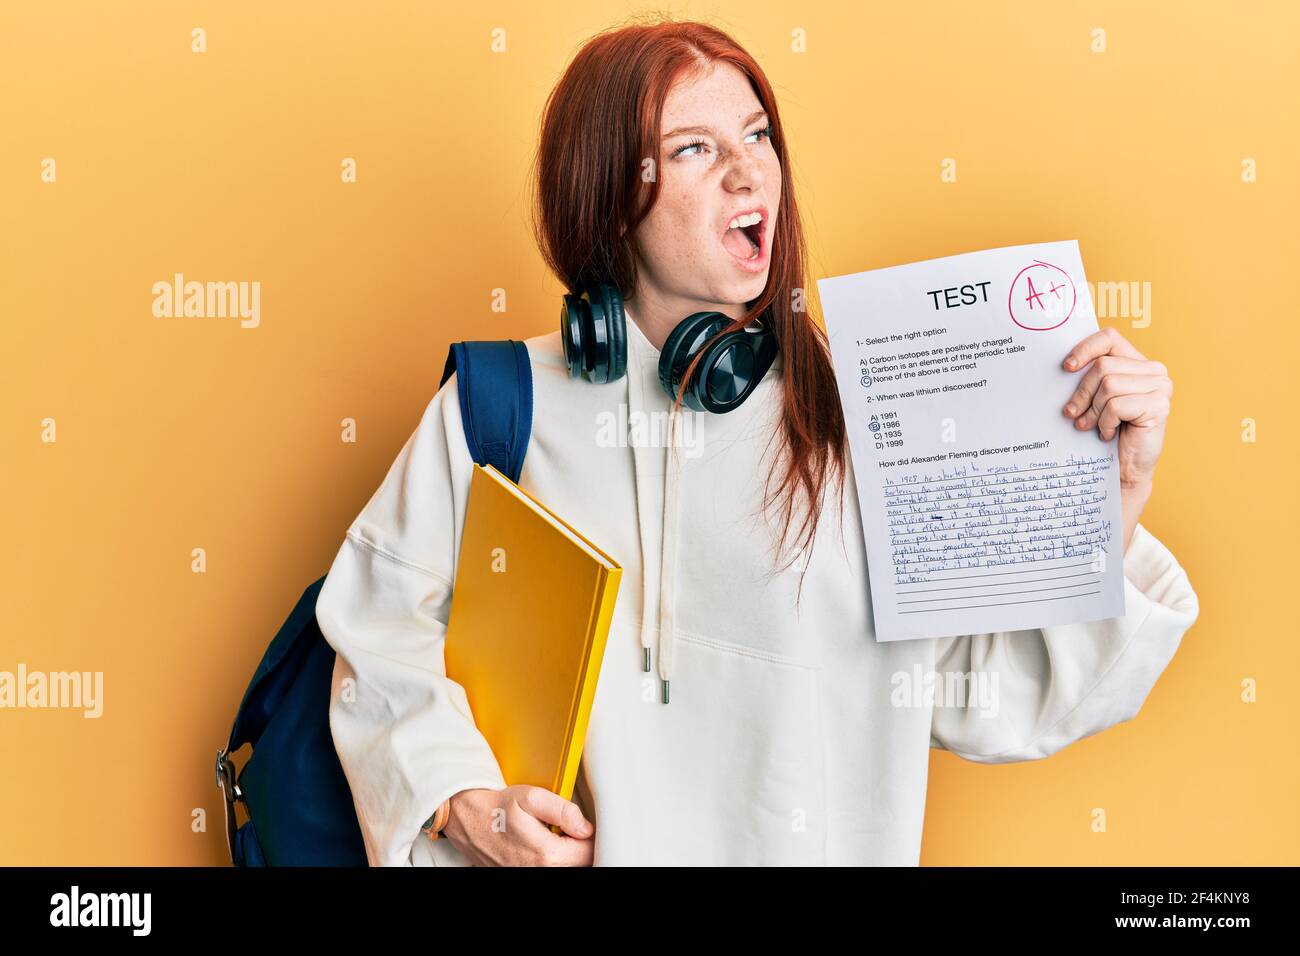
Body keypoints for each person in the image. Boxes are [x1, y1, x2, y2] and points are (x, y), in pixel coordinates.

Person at [314, 19, 1199, 866]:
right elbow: (376, 635)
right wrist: (461, 800)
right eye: (697, 148)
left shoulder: (870, 417)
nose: (749, 174)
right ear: (612, 194)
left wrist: (1108, 502)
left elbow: (986, 697)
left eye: (759, 136)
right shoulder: (498, 407)